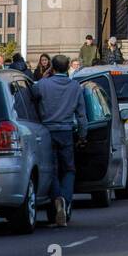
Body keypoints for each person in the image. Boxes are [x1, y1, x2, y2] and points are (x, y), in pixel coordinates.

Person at [31, 53, 88, 227]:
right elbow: (81, 115)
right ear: (69, 66)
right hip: (66, 131)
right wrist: (83, 135)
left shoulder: (42, 85)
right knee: (69, 169)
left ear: (52, 68)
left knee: (52, 170)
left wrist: (45, 77)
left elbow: (31, 95)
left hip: (47, 131)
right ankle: (66, 199)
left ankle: (57, 198)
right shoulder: (76, 87)